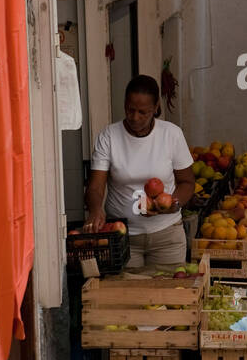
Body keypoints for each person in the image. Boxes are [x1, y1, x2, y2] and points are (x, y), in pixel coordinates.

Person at [83, 75, 195, 271]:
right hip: (123, 239)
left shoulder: (171, 134)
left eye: (143, 112)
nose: (135, 117)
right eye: (130, 110)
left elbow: (187, 182)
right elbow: (95, 186)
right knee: (127, 297)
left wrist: (172, 204)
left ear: (155, 108)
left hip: (166, 236)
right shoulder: (109, 136)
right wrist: (95, 209)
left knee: (170, 295)